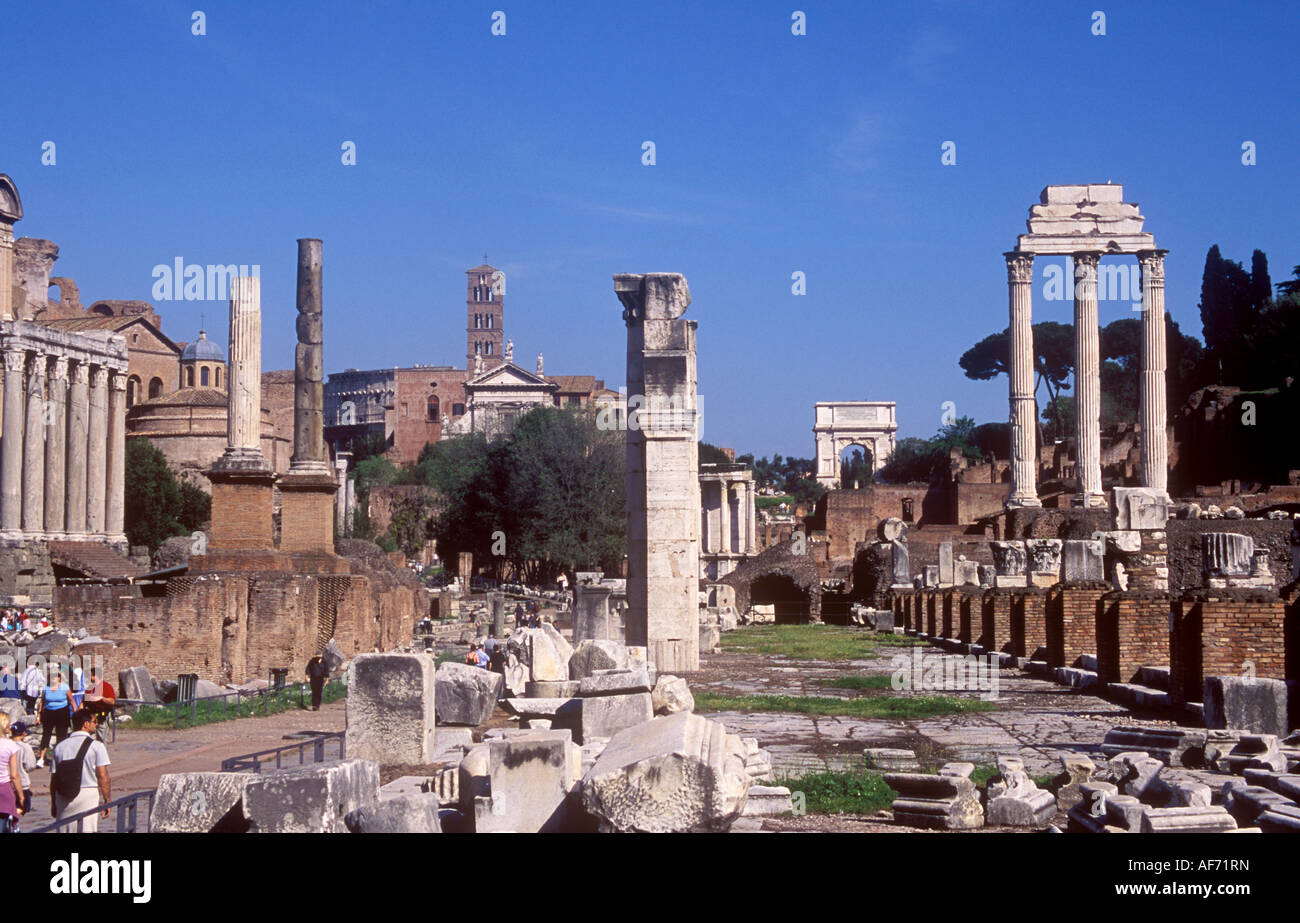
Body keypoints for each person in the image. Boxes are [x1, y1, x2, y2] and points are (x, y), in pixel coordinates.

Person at [50, 709, 110, 833]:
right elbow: (102, 776)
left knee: (64, 830)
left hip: (63, 795)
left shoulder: (59, 747)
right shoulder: (97, 746)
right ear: (86, 724)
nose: (96, 724)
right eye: (94, 721)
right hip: (88, 794)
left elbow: (54, 780)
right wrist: (107, 800)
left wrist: (54, 802)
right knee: (87, 829)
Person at [36, 670, 73, 767]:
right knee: (46, 735)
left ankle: (59, 757)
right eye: (51, 678)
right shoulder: (46, 688)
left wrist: (76, 713)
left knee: (61, 735)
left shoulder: (64, 687)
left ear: (59, 678)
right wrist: (38, 715)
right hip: (49, 713)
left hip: (62, 712)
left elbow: (71, 700)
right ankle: (42, 758)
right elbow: (42, 701)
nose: (53, 679)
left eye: (55, 677)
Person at [10, 723, 34, 822]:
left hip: (7, 783)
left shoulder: (6, 744)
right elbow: (30, 765)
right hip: (22, 783)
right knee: (22, 808)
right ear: (23, 733)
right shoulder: (25, 747)